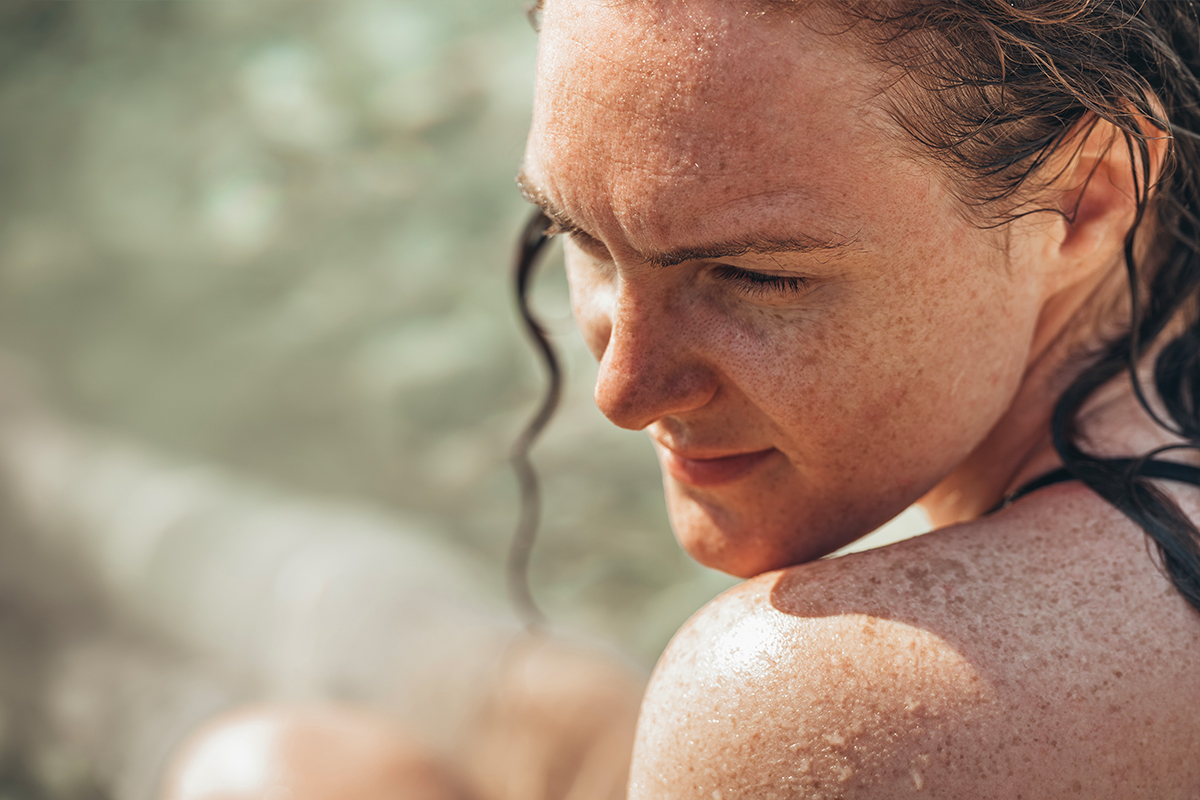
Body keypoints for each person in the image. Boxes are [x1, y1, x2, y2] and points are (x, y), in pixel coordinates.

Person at [517, 0, 1200, 796]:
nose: (623, 394)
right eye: (578, 235)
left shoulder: (825, 711)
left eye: (759, 277)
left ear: (1083, 202)